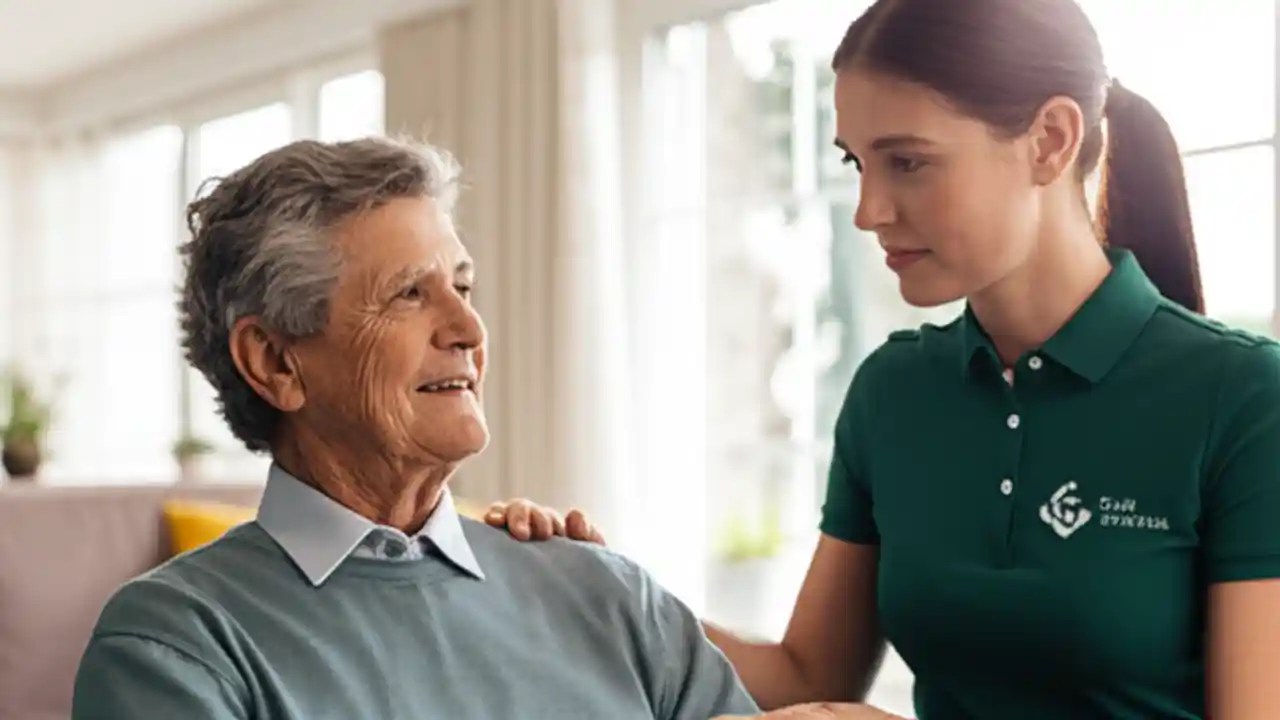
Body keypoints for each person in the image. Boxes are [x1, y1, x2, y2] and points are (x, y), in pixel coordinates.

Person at [485, 0, 1280, 717]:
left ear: (1050, 140)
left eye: (908, 162)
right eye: (856, 164)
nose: (868, 211)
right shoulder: (894, 392)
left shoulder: (1244, 398)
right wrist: (604, 591)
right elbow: (807, 679)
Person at [70, 137, 758, 720]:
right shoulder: (173, 645)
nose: (469, 329)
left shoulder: (606, 592)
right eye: (409, 294)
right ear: (276, 361)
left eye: (463, 286)